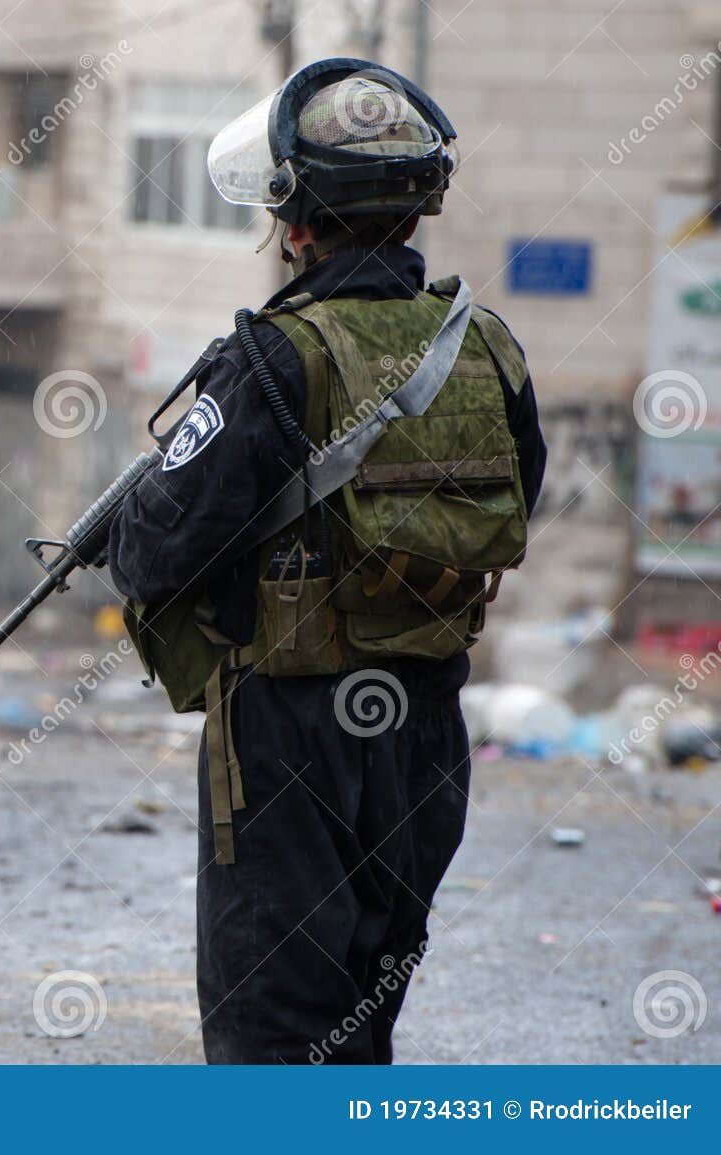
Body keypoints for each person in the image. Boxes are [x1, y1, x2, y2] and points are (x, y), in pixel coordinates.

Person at [107, 59, 546, 1064]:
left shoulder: (269, 359)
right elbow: (520, 499)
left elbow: (156, 552)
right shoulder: (487, 348)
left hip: (288, 735)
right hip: (424, 729)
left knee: (272, 1027)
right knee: (359, 1025)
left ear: (292, 218)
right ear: (416, 208)